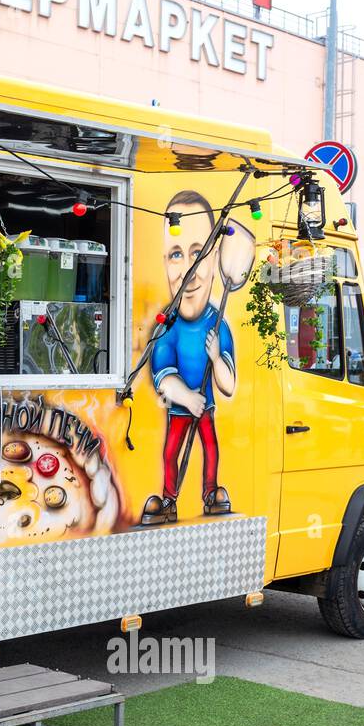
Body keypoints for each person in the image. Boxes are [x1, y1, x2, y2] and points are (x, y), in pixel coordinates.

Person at [139, 189, 255, 526]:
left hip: (207, 406)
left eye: (198, 253)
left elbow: (228, 383)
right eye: (176, 254)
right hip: (181, 406)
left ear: (216, 259)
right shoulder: (168, 323)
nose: (189, 269)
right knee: (170, 452)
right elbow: (162, 374)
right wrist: (188, 397)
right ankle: (170, 498)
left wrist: (217, 358)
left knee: (211, 446)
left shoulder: (218, 325)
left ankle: (210, 492)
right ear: (163, 261)